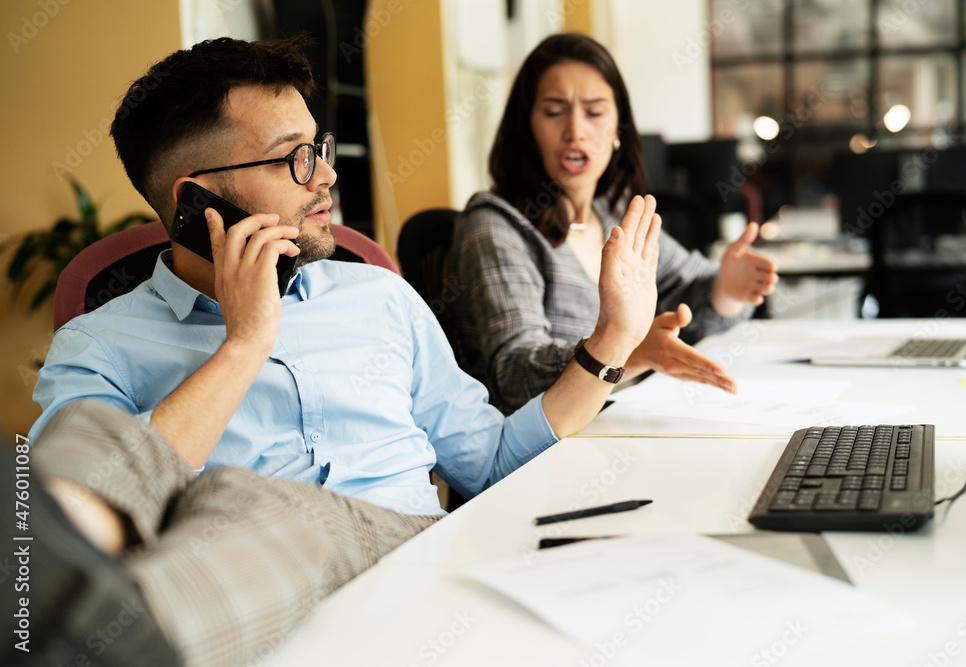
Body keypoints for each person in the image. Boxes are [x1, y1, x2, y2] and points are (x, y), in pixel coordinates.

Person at [28, 35, 660, 518]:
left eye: (319, 149)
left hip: (422, 567)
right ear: (199, 200)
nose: (326, 176)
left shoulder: (380, 297)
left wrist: (613, 338)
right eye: (293, 158)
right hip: (264, 589)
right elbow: (76, 521)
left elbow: (492, 464)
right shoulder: (98, 349)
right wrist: (244, 345)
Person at [449, 33, 779, 414]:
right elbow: (514, 373)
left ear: (619, 128)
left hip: (619, 422)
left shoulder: (612, 215)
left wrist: (726, 289)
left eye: (594, 112)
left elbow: (690, 290)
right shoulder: (496, 225)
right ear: (526, 129)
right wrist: (625, 353)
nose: (576, 131)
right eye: (554, 112)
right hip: (549, 443)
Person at [3, 400, 438, 667]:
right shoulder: (101, 334)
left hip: (394, 531)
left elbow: (475, 439)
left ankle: (66, 604)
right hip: (198, 539)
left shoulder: (383, 295)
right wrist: (246, 341)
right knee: (94, 426)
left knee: (96, 425)